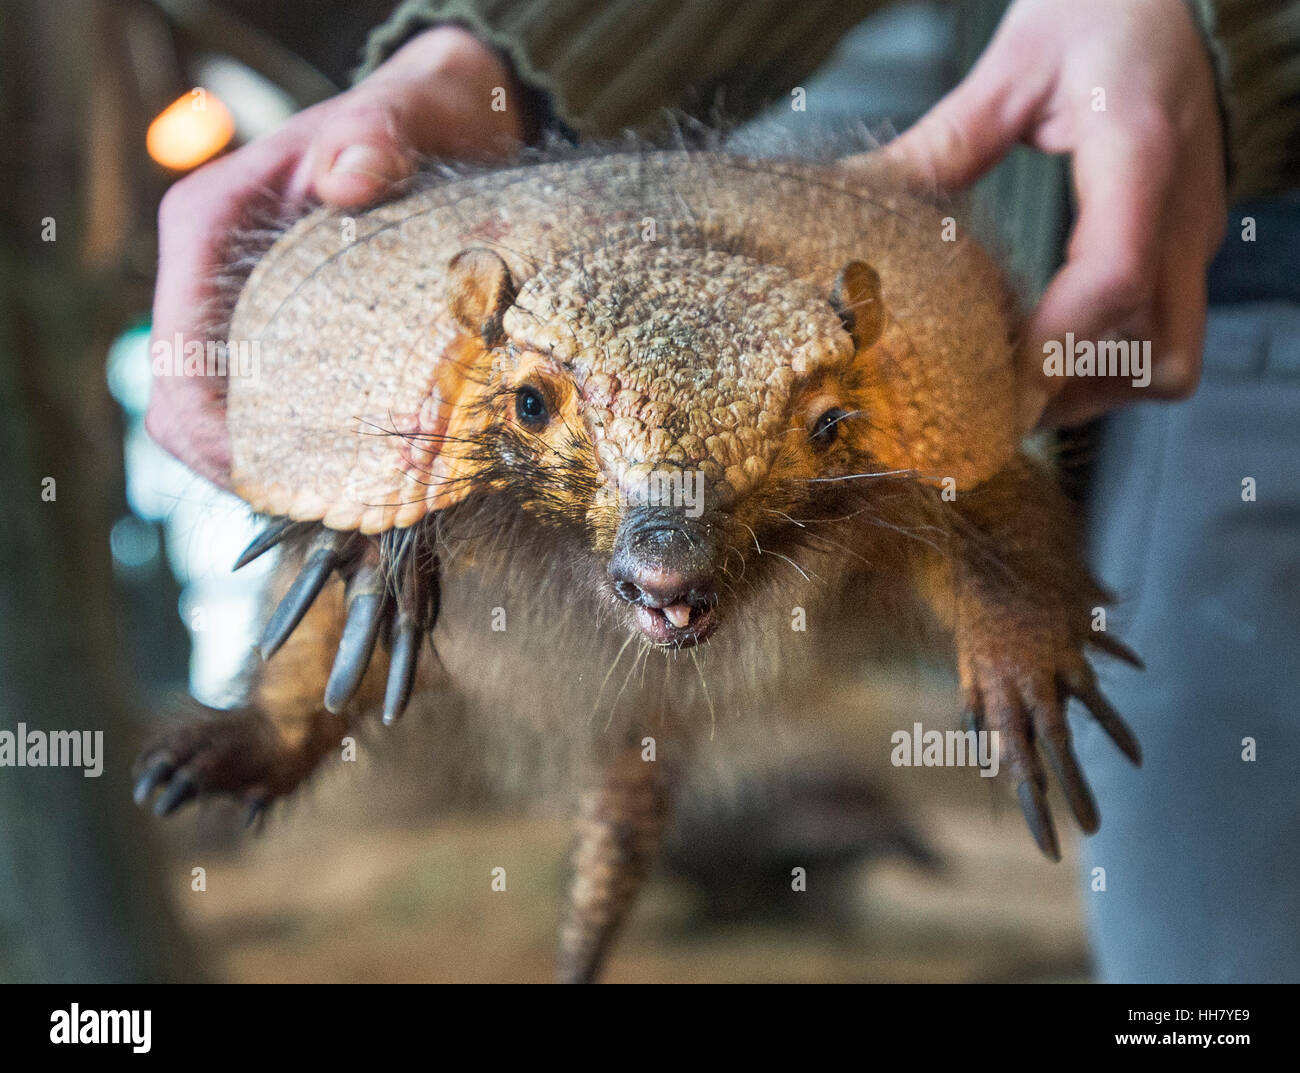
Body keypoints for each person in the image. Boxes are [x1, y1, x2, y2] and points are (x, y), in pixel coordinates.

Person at [145, 0, 1300, 981]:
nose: (668, 549)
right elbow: (358, 468)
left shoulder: (861, 396)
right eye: (539, 405)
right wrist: (497, 48)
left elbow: (977, 504)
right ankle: (286, 729)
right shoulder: (472, 379)